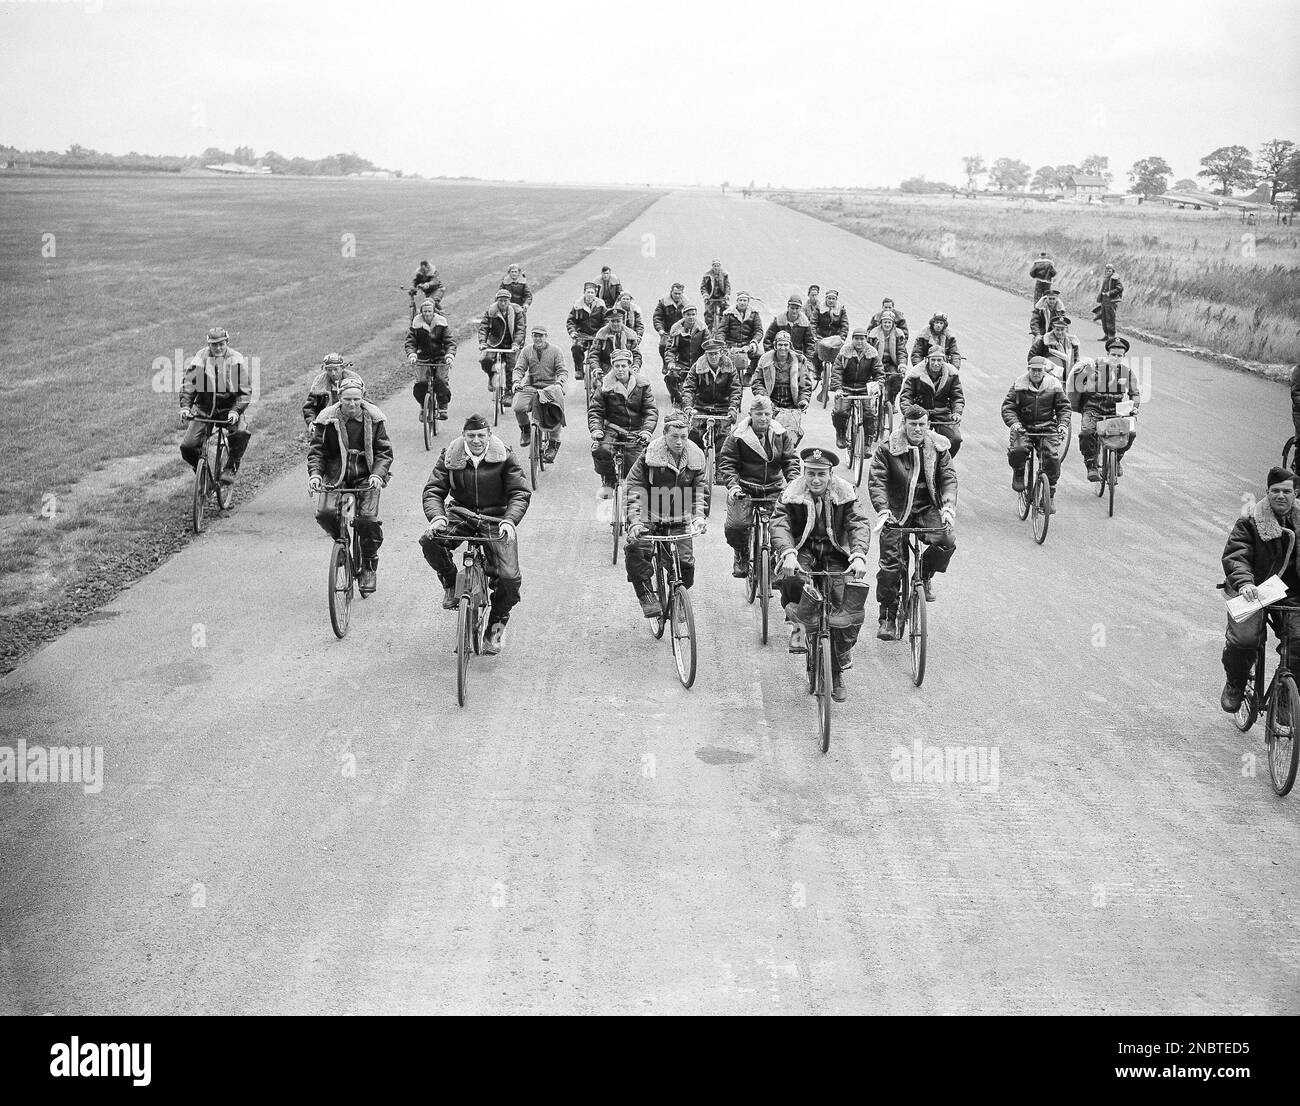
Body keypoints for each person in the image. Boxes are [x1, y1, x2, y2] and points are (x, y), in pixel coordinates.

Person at [420, 413, 531, 655]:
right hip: (462, 513)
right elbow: (433, 490)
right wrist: (437, 518)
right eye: (471, 436)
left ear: (489, 436)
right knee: (430, 540)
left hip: (496, 518)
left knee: (510, 579)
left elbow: (520, 493)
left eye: (481, 435)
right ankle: (450, 583)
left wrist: (509, 522)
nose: (477, 440)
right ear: (464, 436)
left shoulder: (505, 456)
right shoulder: (450, 455)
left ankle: (496, 628)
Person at [771, 447, 872, 702]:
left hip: (836, 553)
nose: (816, 480)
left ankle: (836, 671)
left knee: (844, 604)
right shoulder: (791, 492)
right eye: (811, 473)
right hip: (802, 549)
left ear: (830, 475)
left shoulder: (845, 493)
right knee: (793, 578)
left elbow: (858, 523)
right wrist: (788, 552)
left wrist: (859, 555)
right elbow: (780, 524)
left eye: (821, 474)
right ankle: (799, 625)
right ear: (804, 473)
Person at [868, 405, 957, 637]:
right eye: (913, 424)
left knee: (946, 539)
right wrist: (883, 510)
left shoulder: (938, 448)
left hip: (927, 507)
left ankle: (925, 575)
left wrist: (948, 507)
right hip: (896, 510)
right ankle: (887, 616)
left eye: (922, 425)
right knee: (891, 565)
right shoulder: (887, 449)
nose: (917, 429)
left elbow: (948, 477)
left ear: (928, 426)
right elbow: (877, 481)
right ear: (904, 424)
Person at [1219, 467, 1300, 712]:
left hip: (1291, 594)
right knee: (1243, 641)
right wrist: (1245, 584)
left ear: (1296, 494)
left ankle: (1286, 698)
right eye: (1275, 491)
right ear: (1267, 493)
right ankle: (1236, 683)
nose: (1280, 496)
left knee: (1299, 642)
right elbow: (1237, 556)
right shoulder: (1250, 522)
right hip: (1253, 591)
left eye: (1286, 491)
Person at [307, 379, 392, 595]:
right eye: (347, 400)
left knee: (367, 521)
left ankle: (369, 566)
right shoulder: (326, 419)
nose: (352, 404)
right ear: (339, 398)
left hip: (366, 476)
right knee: (325, 513)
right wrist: (316, 475)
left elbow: (384, 452)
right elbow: (317, 452)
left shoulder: (374, 419)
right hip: (337, 477)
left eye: (356, 399)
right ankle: (341, 542)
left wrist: (377, 475)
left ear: (362, 397)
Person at [624, 412, 708, 617]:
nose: (679, 442)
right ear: (664, 434)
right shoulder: (649, 455)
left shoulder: (696, 458)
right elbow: (635, 488)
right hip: (649, 512)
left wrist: (698, 517)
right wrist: (635, 522)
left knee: (686, 567)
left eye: (684, 436)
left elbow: (699, 492)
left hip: (679, 516)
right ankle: (647, 596)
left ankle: (678, 596)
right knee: (636, 548)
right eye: (674, 437)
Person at [717, 395, 800, 577]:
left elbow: (790, 460)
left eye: (767, 414)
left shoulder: (781, 434)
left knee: (785, 524)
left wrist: (793, 483)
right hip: (745, 488)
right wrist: (734, 486)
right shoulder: (737, 436)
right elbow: (727, 463)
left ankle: (775, 559)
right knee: (736, 526)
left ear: (773, 415)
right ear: (750, 414)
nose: (763, 418)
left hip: (773, 487)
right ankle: (741, 553)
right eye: (759, 413)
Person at [180, 326, 252, 484]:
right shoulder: (201, 357)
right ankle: (201, 470)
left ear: (227, 342)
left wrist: (235, 411)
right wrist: (185, 406)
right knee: (188, 446)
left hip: (228, 409)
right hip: (204, 409)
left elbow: (245, 391)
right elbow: (189, 384)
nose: (218, 348)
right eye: (214, 344)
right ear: (208, 345)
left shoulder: (235, 359)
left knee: (240, 433)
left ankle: (230, 467)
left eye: (221, 344)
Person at [589, 347, 657, 499]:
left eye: (623, 365)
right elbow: (596, 411)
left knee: (636, 465)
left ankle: (632, 500)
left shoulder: (642, 384)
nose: (620, 369)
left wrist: (646, 431)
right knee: (601, 450)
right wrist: (596, 430)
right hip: (611, 429)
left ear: (629, 366)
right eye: (616, 366)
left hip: (635, 431)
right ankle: (608, 480)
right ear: (612, 366)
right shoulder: (605, 385)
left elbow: (650, 410)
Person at [1002, 356, 1069, 504]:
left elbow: (1064, 408)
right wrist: (1015, 424)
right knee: (1018, 450)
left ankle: (1049, 494)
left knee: (1052, 458)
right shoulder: (1019, 384)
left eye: (1039, 370)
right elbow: (1008, 408)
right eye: (1033, 370)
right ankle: (1019, 473)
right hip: (1023, 427)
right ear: (1028, 370)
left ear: (1044, 371)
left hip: (1047, 427)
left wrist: (1062, 424)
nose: (1036, 373)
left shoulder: (1054, 385)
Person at [1075, 335, 1140, 482]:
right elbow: (1080, 385)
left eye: (1119, 356)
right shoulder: (1094, 368)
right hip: (1093, 409)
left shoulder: (1127, 372)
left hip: (1115, 410)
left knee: (1131, 433)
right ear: (1107, 354)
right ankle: (1091, 464)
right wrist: (1090, 378)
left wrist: (1134, 408)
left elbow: (1135, 393)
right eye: (1113, 355)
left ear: (1124, 356)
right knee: (1086, 433)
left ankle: (1116, 459)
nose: (1115, 358)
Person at [511, 324, 568, 461]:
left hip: (551, 387)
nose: (537, 338)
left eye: (540, 335)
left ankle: (553, 444)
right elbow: (519, 369)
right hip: (531, 386)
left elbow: (562, 371)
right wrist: (516, 382)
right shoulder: (526, 351)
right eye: (535, 335)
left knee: (556, 411)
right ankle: (526, 430)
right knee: (518, 407)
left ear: (546, 336)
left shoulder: (555, 351)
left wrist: (559, 384)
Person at [682, 336, 743, 450]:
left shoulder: (729, 366)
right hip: (701, 407)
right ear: (706, 354)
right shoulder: (697, 367)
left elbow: (735, 389)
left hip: (723, 408)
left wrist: (733, 408)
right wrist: (688, 407)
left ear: (721, 353)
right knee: (693, 439)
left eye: (716, 353)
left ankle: (719, 466)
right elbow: (688, 388)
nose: (713, 356)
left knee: (724, 443)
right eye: (710, 354)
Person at [900, 348, 965, 456]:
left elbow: (957, 397)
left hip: (943, 414)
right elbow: (906, 397)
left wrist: (957, 413)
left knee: (956, 439)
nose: (936, 363)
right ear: (927, 360)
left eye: (939, 360)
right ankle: (910, 465)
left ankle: (944, 463)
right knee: (902, 439)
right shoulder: (915, 374)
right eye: (933, 360)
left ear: (943, 360)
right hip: (919, 414)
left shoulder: (952, 375)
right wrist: (909, 413)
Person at [751, 330, 811, 447]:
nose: (783, 348)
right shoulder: (765, 360)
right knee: (760, 435)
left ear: (790, 346)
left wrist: (803, 400)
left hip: (791, 406)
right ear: (775, 346)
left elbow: (805, 385)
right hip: (771, 404)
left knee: (791, 439)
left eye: (785, 345)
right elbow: (757, 382)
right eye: (780, 345)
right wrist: (765, 398)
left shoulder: (799, 361)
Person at [829, 328, 885, 451]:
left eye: (862, 339)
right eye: (857, 339)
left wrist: (877, 387)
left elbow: (879, 373)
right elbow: (837, 371)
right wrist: (838, 388)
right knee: (840, 411)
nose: (859, 342)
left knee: (870, 414)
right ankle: (841, 434)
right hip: (846, 387)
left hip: (865, 388)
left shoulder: (872, 353)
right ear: (852, 339)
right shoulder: (844, 353)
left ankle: (867, 443)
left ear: (866, 339)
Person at [405, 299, 457, 421]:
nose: (427, 314)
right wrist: (412, 354)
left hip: (440, 357)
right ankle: (423, 407)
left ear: (434, 311)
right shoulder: (416, 325)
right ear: (421, 312)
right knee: (421, 383)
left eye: (429, 311)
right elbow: (410, 342)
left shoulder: (442, 324)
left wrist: (449, 355)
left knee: (441, 380)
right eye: (425, 311)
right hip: (423, 358)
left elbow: (450, 342)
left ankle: (443, 406)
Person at [478, 288, 525, 393]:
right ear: (497, 301)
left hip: (511, 342)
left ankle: (509, 392)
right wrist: (482, 342)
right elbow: (483, 328)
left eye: (505, 301)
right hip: (495, 342)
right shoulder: (491, 311)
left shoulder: (517, 311)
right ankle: (491, 376)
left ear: (509, 301)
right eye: (500, 301)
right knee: (485, 360)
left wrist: (516, 344)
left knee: (512, 366)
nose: (503, 303)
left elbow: (520, 330)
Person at [664, 303, 709, 407]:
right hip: (681, 364)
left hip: (698, 364)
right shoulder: (677, 330)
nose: (691, 317)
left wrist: (705, 361)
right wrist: (671, 362)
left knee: (707, 382)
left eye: (693, 314)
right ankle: (678, 399)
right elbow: (670, 349)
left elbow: (708, 347)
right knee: (670, 378)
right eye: (688, 314)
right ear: (683, 315)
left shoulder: (703, 329)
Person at [302, 353, 363, 427]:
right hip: (327, 423)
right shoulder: (319, 385)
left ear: (342, 368)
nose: (333, 373)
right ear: (325, 370)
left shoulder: (355, 381)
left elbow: (367, 403)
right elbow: (309, 407)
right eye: (329, 370)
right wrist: (311, 422)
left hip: (352, 422)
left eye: (336, 369)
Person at [810, 288, 850, 402]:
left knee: (839, 360)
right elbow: (813, 322)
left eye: (833, 299)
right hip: (821, 337)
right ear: (825, 298)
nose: (831, 301)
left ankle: (835, 381)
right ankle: (818, 372)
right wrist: (815, 336)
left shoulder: (841, 310)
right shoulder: (819, 308)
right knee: (814, 354)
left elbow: (844, 325)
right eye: (829, 298)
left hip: (835, 338)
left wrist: (842, 338)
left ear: (836, 299)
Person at [585, 306, 643, 382]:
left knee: (641, 385)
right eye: (612, 321)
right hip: (606, 368)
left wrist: (635, 366)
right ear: (609, 322)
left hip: (626, 368)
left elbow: (636, 355)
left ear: (622, 321)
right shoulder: (601, 336)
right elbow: (594, 355)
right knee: (602, 389)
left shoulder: (630, 336)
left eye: (618, 321)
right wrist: (596, 369)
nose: (615, 324)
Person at [717, 290, 763, 382]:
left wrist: (754, 342)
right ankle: (728, 377)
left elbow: (759, 330)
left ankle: (749, 374)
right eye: (740, 300)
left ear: (748, 302)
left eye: (745, 300)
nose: (742, 303)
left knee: (760, 356)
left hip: (748, 343)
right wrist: (722, 343)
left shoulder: (754, 314)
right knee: (721, 358)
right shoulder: (729, 314)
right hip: (731, 343)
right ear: (737, 301)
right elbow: (721, 330)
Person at [868, 309, 908, 409]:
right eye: (885, 322)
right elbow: (869, 350)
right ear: (881, 323)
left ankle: (891, 400)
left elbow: (901, 352)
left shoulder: (899, 335)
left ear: (893, 324)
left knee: (896, 377)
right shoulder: (873, 334)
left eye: (889, 322)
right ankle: (873, 402)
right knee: (874, 380)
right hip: (877, 362)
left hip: (891, 362)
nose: (887, 325)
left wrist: (902, 365)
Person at [566, 281, 606, 379]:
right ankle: (579, 369)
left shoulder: (600, 305)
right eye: (588, 292)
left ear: (595, 294)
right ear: (584, 292)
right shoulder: (577, 305)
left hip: (597, 334)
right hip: (582, 334)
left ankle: (602, 370)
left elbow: (606, 320)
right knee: (576, 347)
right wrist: (572, 332)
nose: (590, 295)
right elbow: (571, 321)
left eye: (592, 292)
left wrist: (604, 331)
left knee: (603, 350)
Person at [1027, 314, 1081, 380]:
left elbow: (1076, 360)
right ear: (1053, 328)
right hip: (1048, 378)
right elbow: (1032, 357)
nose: (1060, 332)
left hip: (1067, 378)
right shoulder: (1044, 341)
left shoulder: (1073, 342)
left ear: (1066, 329)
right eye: (1057, 329)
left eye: (1062, 329)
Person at [763, 294, 816, 361]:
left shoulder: (805, 323)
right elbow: (768, 339)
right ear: (788, 307)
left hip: (797, 355)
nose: (794, 311)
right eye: (792, 308)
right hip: (780, 355)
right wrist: (771, 356)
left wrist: (808, 360)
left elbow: (810, 343)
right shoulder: (779, 320)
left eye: (797, 308)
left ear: (800, 309)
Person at [652, 283, 688, 369]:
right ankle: (665, 363)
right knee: (663, 346)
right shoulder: (663, 302)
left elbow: (689, 318)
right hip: (667, 331)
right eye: (675, 293)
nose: (677, 295)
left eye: (679, 293)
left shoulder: (686, 303)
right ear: (671, 292)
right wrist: (660, 329)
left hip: (681, 331)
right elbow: (657, 317)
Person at [700, 258, 730, 330]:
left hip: (721, 296)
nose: (716, 267)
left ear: (720, 266)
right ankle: (708, 331)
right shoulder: (707, 275)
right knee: (708, 314)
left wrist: (727, 294)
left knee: (726, 311)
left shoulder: (724, 274)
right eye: (715, 266)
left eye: (718, 266)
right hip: (711, 297)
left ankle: (724, 329)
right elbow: (703, 287)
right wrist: (706, 295)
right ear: (712, 266)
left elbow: (727, 285)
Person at [1095, 264, 1123, 341]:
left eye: (1109, 271)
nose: (1107, 272)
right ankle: (1106, 335)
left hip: (1111, 302)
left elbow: (1120, 288)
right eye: (1106, 271)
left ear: (1113, 271)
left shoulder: (1115, 279)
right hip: (1104, 301)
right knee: (1104, 319)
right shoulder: (1106, 279)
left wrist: (1110, 293)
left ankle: (1111, 337)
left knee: (1110, 319)